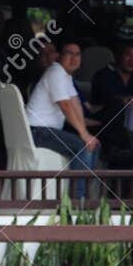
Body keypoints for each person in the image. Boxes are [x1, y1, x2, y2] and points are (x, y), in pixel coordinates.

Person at [23, 38, 102, 188]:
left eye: (77, 54)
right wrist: (84, 135)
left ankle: (85, 194)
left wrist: (86, 133)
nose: (74, 58)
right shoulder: (55, 72)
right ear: (60, 56)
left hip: (46, 131)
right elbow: (65, 106)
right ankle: (77, 201)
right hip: (36, 131)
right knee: (83, 146)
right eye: (69, 53)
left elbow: (75, 103)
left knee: (94, 145)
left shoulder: (66, 76)